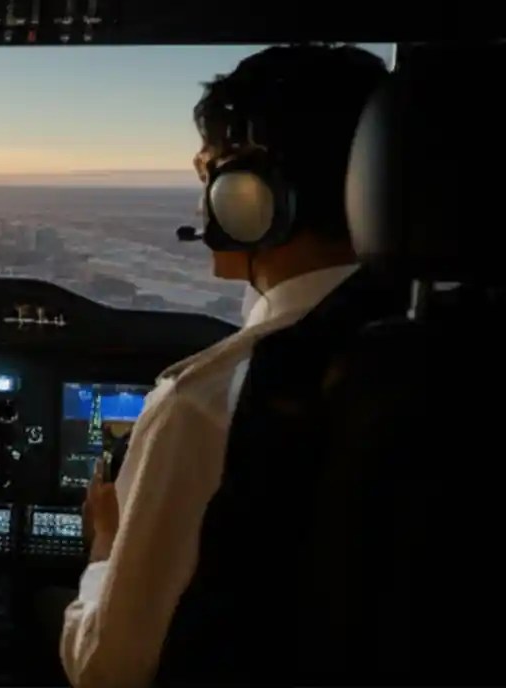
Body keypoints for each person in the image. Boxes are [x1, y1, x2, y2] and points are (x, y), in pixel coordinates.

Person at [59, 44, 392, 687]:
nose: (202, 205)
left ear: (252, 197)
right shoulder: (439, 346)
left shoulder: (214, 400)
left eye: (209, 176)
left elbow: (110, 670)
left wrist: (104, 549)